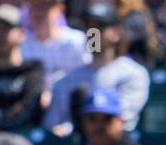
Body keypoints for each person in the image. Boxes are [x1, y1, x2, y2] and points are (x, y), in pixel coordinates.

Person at [44, 3, 150, 135]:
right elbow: (53, 123)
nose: (92, 32)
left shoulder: (133, 73)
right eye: (88, 26)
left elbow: (120, 119)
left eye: (99, 27)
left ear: (116, 32)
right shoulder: (66, 79)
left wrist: (71, 127)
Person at [0, 3, 47, 131]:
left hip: (19, 138)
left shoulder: (33, 71)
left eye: (5, 28)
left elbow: (27, 110)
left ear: (22, 33)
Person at [22, 0, 92, 90]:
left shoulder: (77, 40)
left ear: (60, 9)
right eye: (34, 7)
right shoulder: (22, 44)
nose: (38, 12)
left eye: (44, 7)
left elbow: (88, 74)